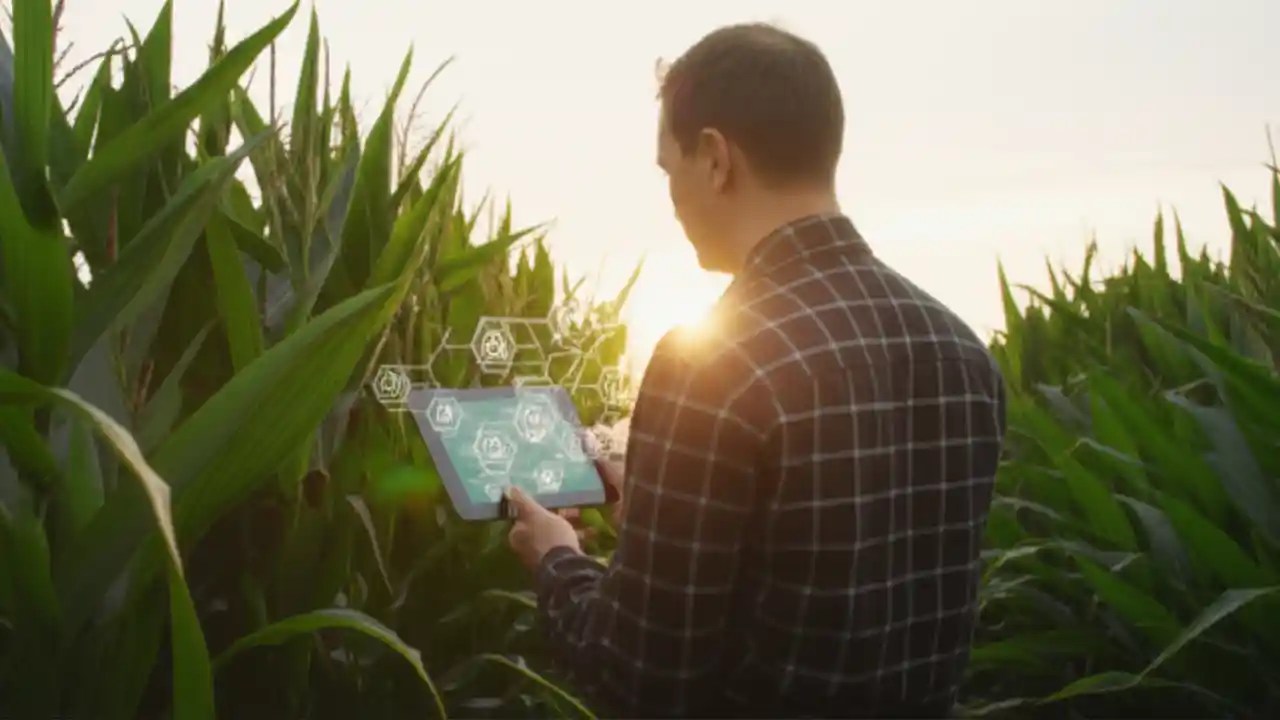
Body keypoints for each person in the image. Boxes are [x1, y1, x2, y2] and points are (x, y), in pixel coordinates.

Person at [506, 22, 1007, 719]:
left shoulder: (710, 365)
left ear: (714, 159)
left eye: (668, 167)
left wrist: (556, 558)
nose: (672, 196)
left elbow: (640, 681)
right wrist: (653, 503)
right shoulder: (963, 353)